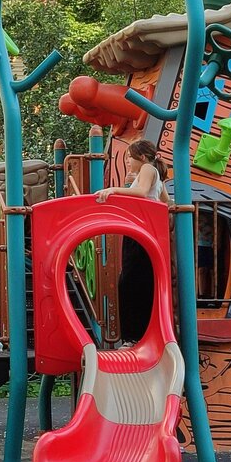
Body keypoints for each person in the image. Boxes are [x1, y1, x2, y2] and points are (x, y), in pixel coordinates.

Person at [95, 139, 170, 344]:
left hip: (140, 230)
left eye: (130, 157)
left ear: (142, 157)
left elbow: (142, 192)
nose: (127, 160)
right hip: (146, 230)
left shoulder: (147, 168)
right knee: (140, 281)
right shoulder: (153, 172)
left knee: (129, 282)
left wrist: (114, 190)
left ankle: (133, 337)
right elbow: (166, 202)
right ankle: (143, 335)